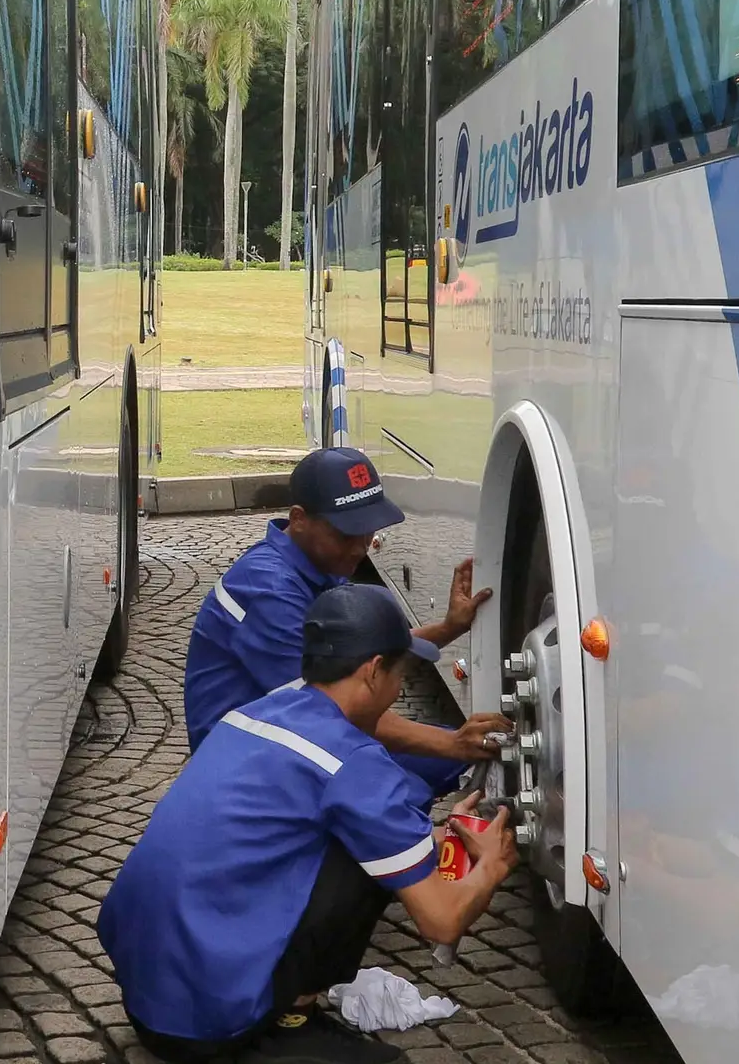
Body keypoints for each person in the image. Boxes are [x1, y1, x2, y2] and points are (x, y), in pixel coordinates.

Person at [101, 583, 519, 1063]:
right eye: (399, 673)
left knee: (373, 846)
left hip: (143, 994)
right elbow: (442, 921)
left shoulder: (257, 712)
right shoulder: (355, 762)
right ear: (373, 671)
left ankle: (288, 1013)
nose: (399, 689)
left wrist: (439, 838)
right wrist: (491, 866)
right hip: (203, 1024)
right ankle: (279, 1029)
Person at [188, 447, 509, 796]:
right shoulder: (268, 590)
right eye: (346, 534)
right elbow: (335, 708)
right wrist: (454, 743)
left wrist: (450, 627)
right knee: (403, 791)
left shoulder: (315, 565)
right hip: (245, 767)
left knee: (438, 762)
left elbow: (371, 655)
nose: (361, 547)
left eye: (367, 531)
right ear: (298, 519)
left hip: (285, 735)